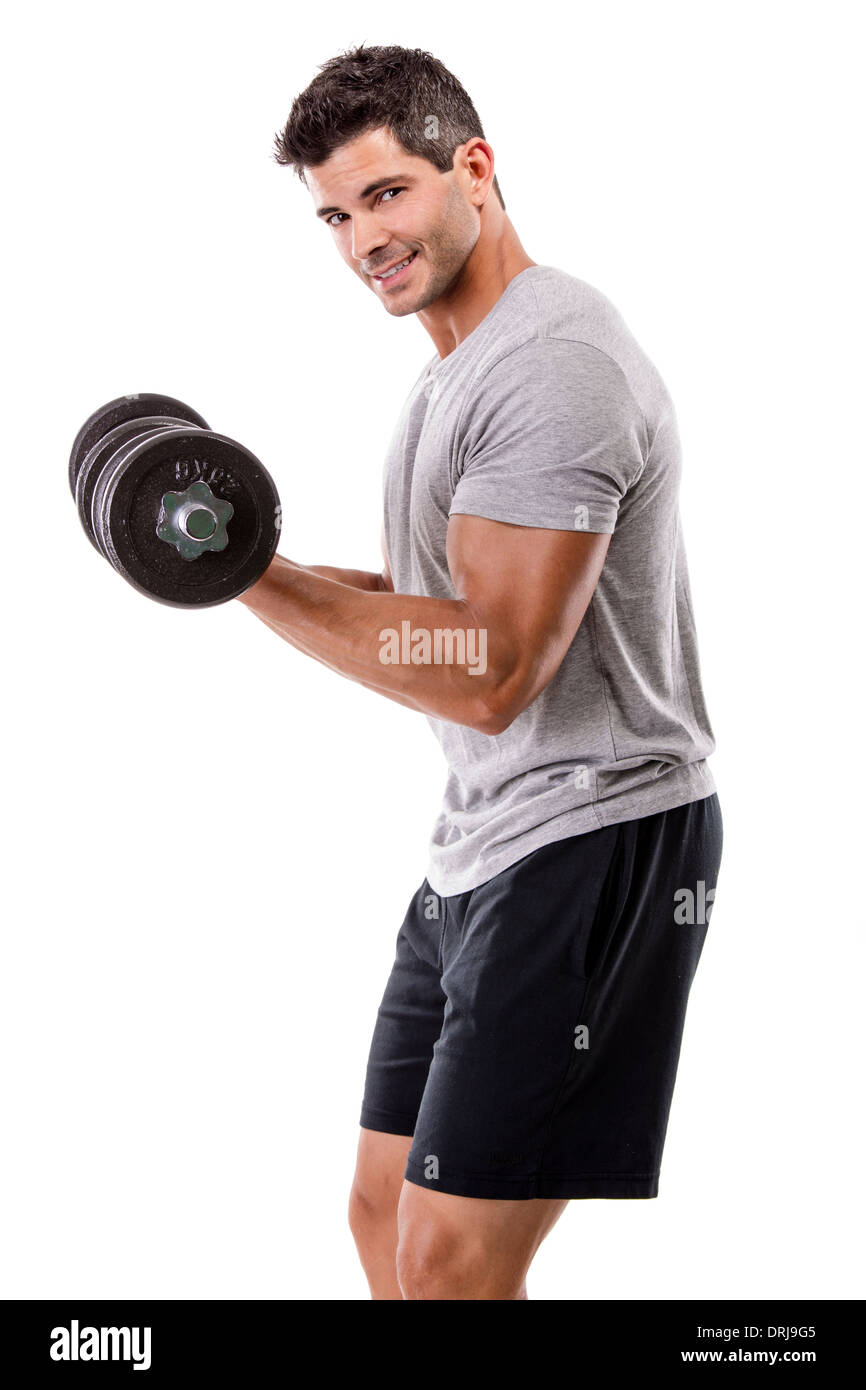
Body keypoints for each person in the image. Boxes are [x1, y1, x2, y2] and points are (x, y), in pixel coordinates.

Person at [240, 43, 724, 1300]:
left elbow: (487, 666)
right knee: (382, 1211)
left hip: (594, 837)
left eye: (387, 195)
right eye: (335, 216)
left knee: (451, 1261)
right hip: (482, 843)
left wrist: (246, 582)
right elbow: (431, 610)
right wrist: (244, 559)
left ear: (473, 168)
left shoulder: (552, 365)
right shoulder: (456, 369)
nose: (361, 244)